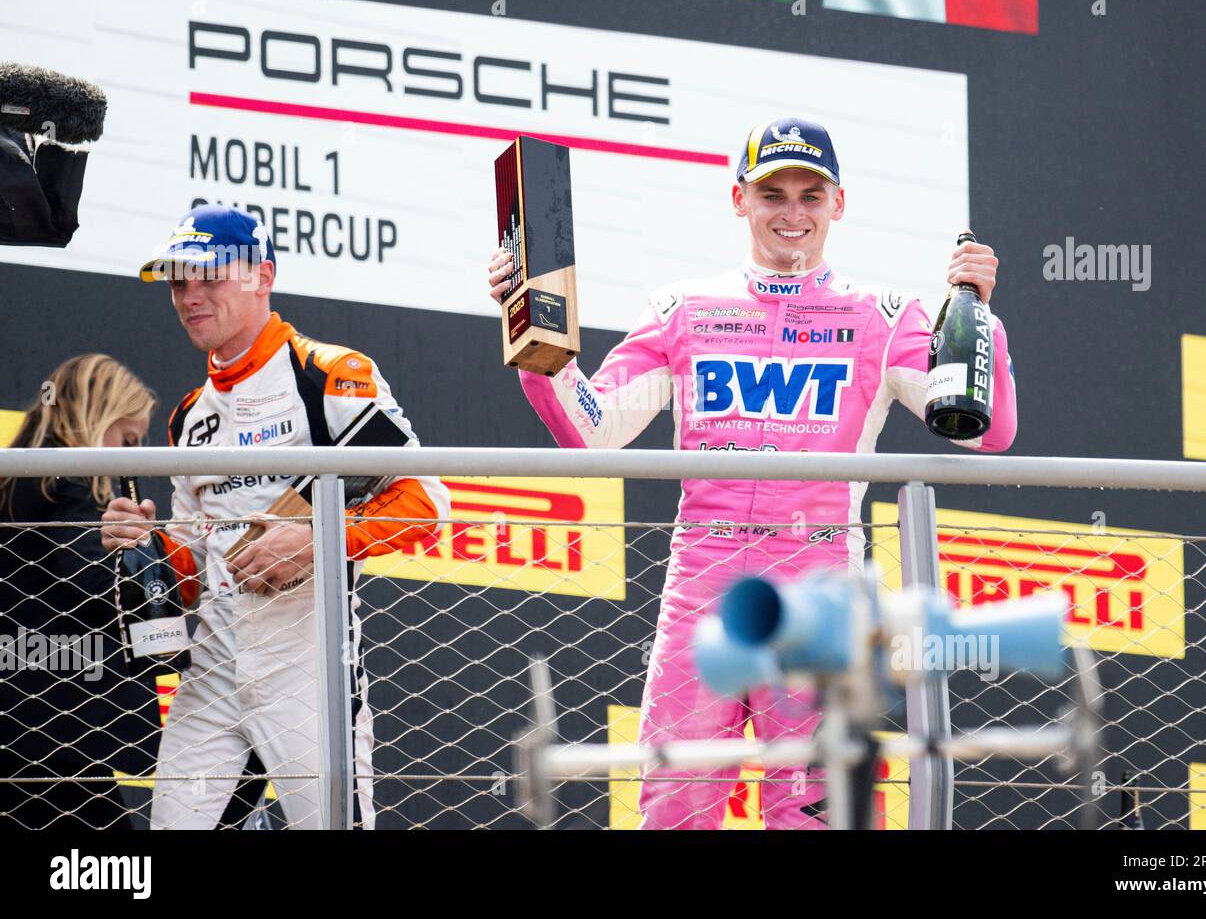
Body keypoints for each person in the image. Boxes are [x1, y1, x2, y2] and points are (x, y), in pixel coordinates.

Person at [486, 118, 1018, 829]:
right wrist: (530, 326)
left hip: (821, 588)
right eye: (773, 194)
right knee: (677, 806)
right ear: (740, 199)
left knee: (816, 814)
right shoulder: (684, 309)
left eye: (810, 195)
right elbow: (595, 428)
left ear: (839, 204)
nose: (792, 213)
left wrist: (980, 316)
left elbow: (988, 432)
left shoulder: (884, 316)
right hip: (703, 584)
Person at [102, 204, 451, 829]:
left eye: (209, 275)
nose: (189, 294)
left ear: (263, 276)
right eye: (179, 279)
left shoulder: (330, 378)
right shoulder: (189, 415)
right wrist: (146, 544)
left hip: (307, 667)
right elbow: (191, 562)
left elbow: (427, 502)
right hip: (211, 666)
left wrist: (317, 540)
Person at [0, 354, 165, 828]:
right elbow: (91, 586)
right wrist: (138, 551)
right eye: (128, 440)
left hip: (28, 709)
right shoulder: (75, 482)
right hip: (60, 719)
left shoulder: (17, 475)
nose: (132, 457)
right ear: (99, 417)